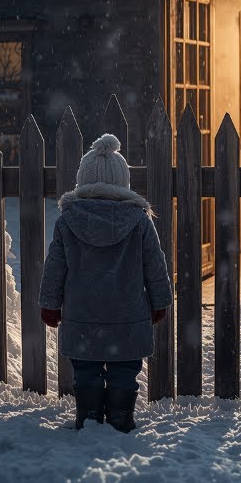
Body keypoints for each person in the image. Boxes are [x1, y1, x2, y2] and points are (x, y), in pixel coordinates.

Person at [39, 133, 173, 433]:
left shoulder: (68, 220)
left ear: (82, 181)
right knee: (125, 370)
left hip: (82, 312)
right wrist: (160, 301)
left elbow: (55, 266)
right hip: (127, 312)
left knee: (85, 370)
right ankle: (120, 417)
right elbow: (155, 263)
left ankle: (88, 418)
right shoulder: (139, 220)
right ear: (123, 182)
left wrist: (49, 303)